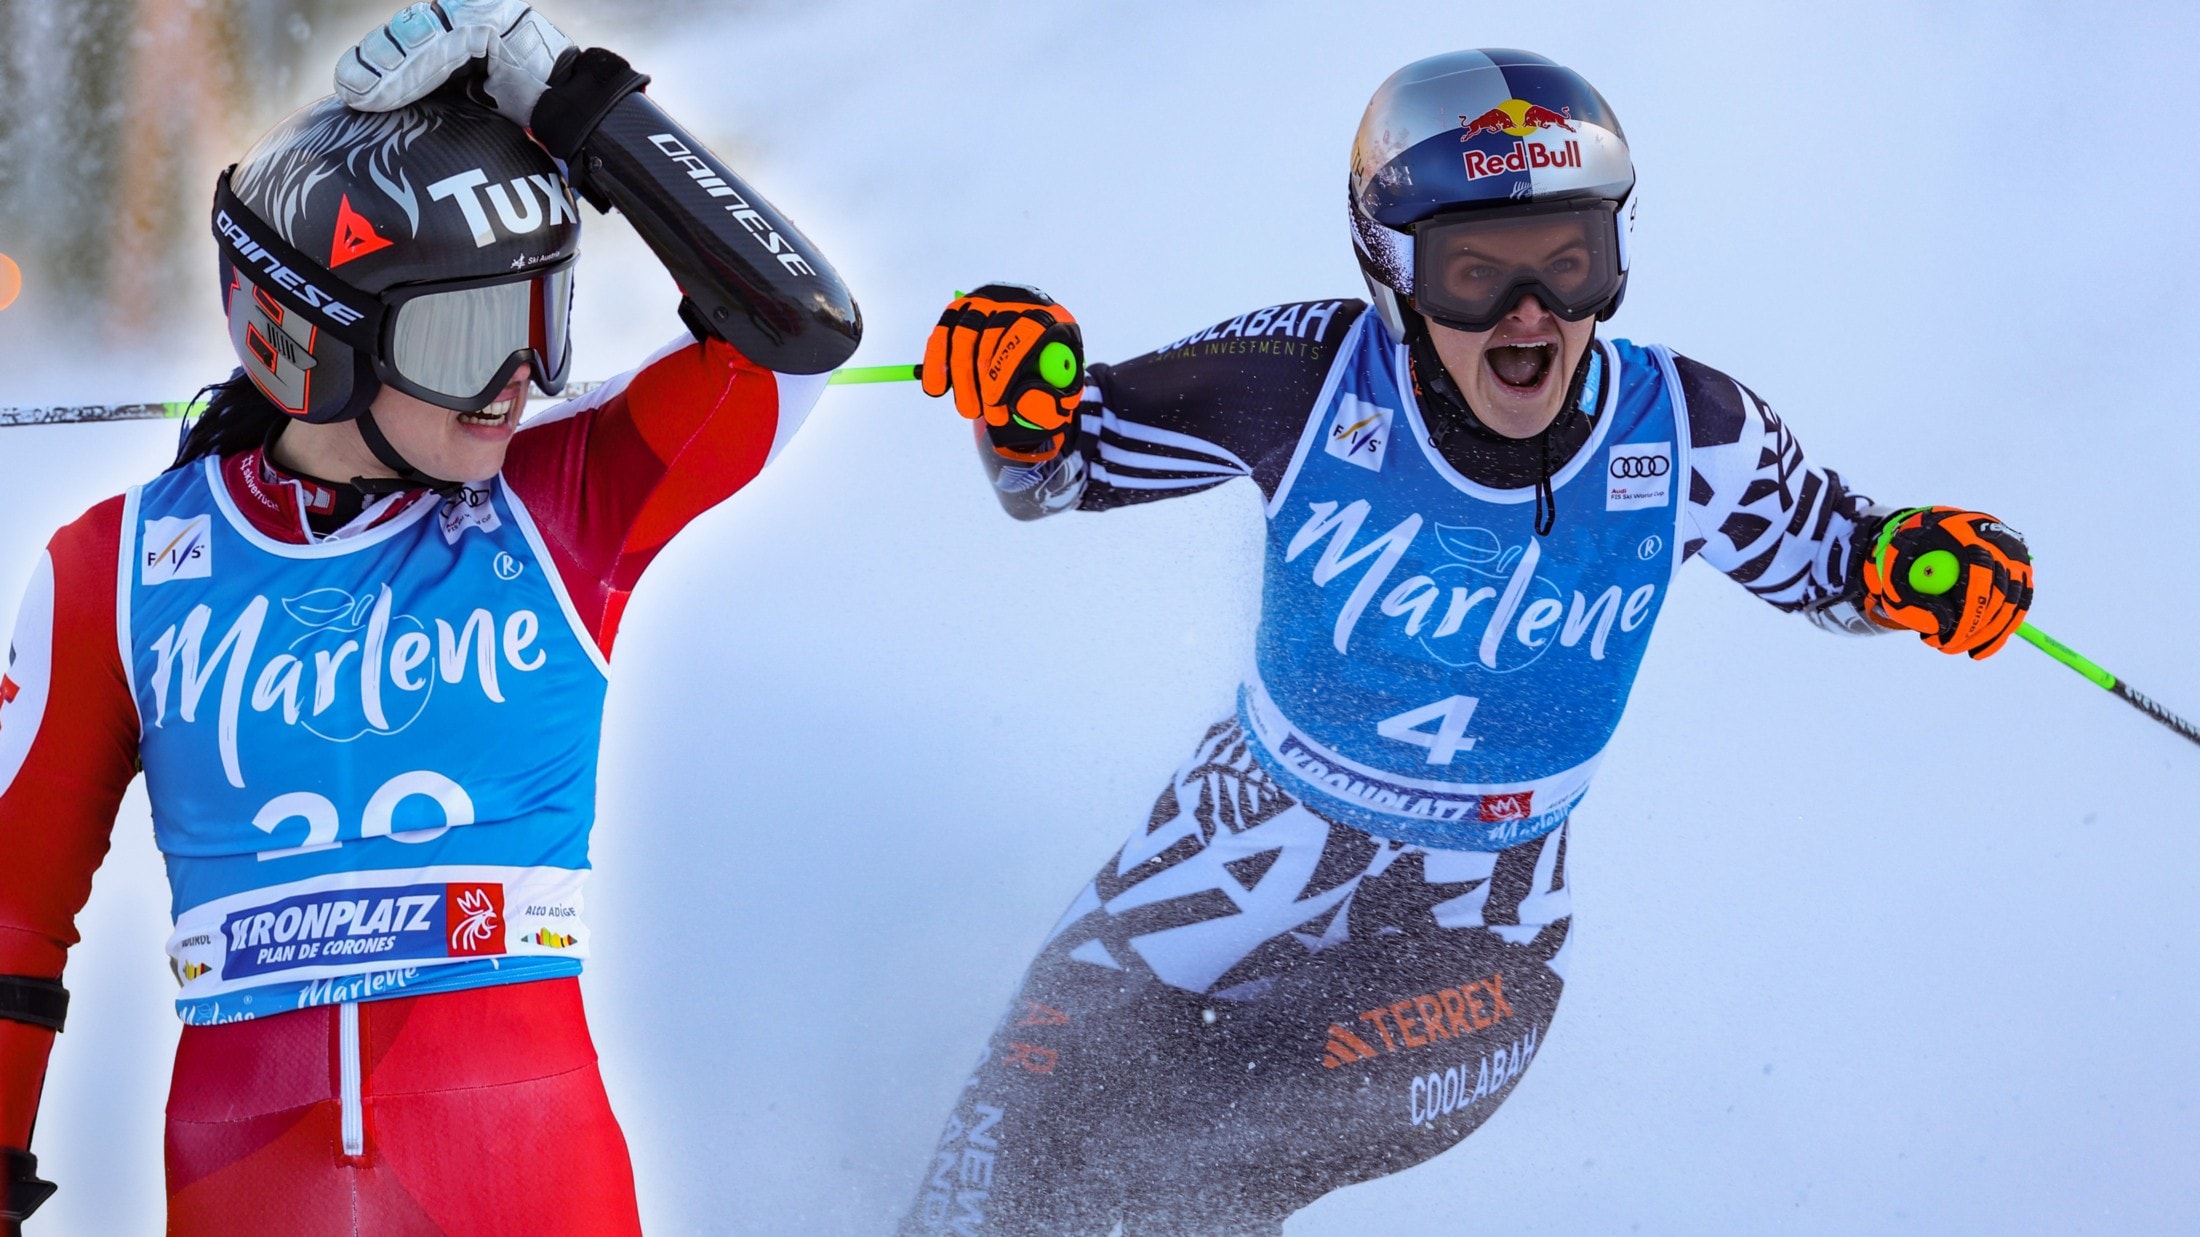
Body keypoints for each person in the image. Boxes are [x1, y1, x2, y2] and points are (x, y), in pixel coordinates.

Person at [902, 49, 2032, 1236]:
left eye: (1569, 263)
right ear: (1389, 267)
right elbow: (1063, 466)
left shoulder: (1692, 433)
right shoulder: (1302, 376)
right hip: (1227, 844)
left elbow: (1838, 562)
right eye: (1475, 270)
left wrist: (1926, 563)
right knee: (1000, 1171)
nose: (1529, 315)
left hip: (1470, 928)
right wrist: (1013, 394)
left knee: (1191, 1148)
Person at [0, 3, 858, 1232]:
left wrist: (578, 107)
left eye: (539, 318)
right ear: (308, 343)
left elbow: (798, 337)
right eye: (468, 334)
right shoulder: (119, 568)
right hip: (249, 1182)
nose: (519, 381)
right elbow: (11, 912)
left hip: (526, 1170)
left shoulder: (568, 501)